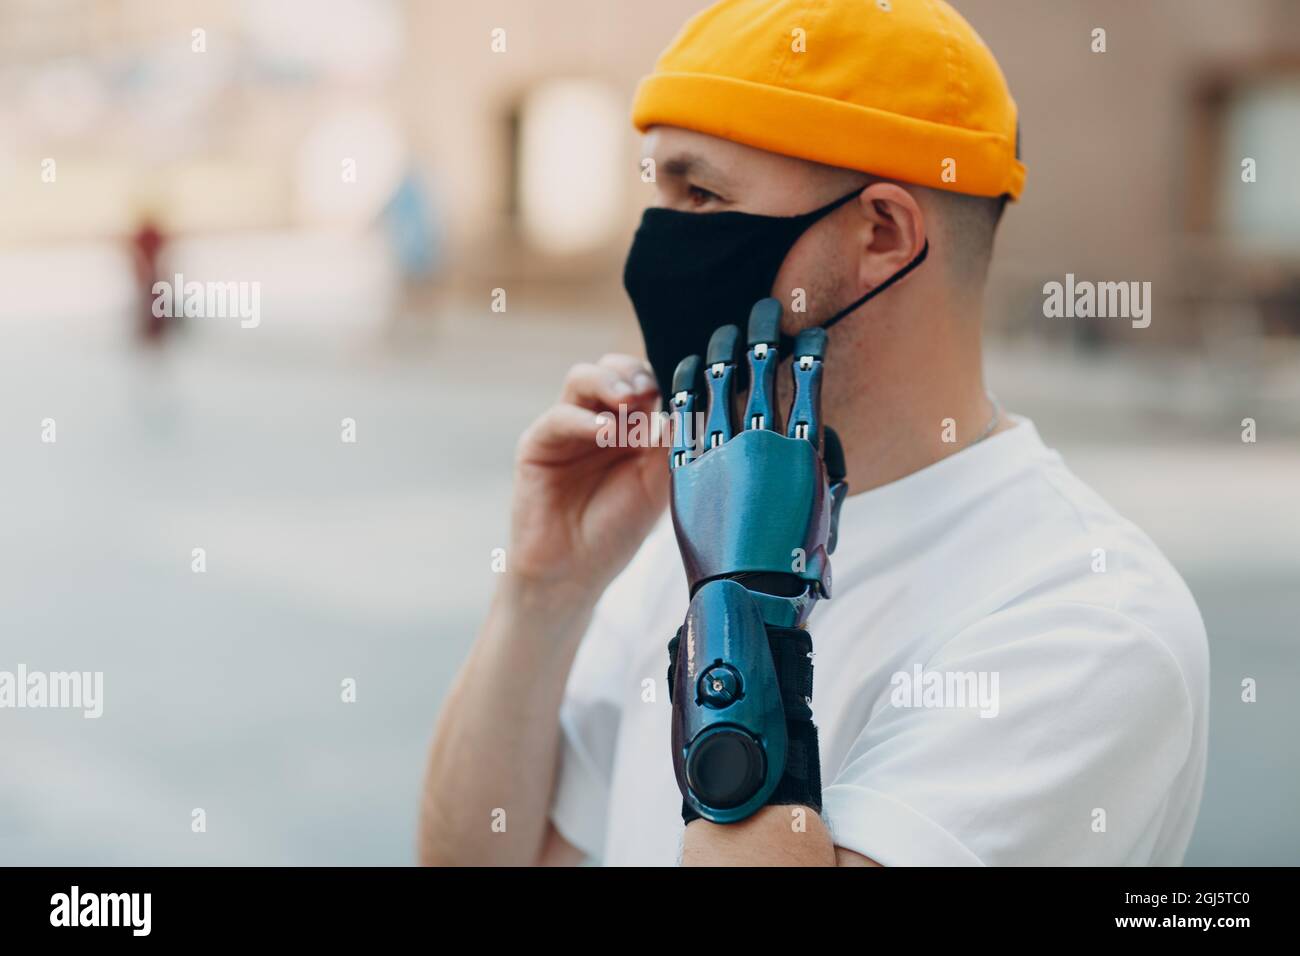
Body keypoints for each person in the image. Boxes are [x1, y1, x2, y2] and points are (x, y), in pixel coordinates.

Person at [419, 0, 1207, 866]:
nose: (653, 243)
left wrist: (740, 607)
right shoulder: (700, 528)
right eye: (658, 191)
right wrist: (543, 592)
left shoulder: (1086, 617)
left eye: (700, 192)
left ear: (882, 235)